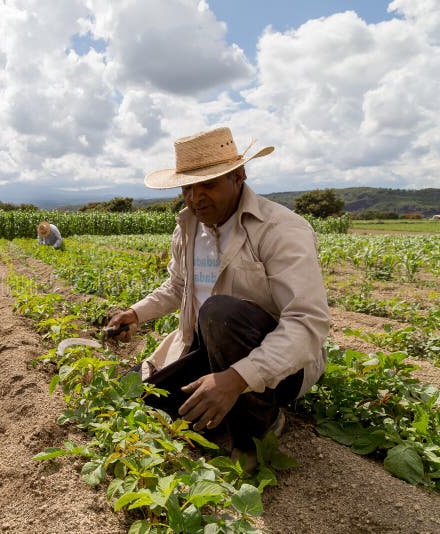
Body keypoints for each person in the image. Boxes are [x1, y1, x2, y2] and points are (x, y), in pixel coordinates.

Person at [106, 126, 330, 468]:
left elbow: (307, 322)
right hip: (208, 349)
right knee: (142, 406)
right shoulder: (188, 228)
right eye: (188, 188)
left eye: (208, 184)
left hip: (279, 366)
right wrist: (134, 314)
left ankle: (259, 428)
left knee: (219, 312)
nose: (196, 198)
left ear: (238, 176)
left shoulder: (281, 230)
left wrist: (236, 378)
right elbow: (178, 286)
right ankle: (222, 407)